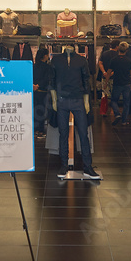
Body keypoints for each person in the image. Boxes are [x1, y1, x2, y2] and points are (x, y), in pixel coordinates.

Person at [50, 46, 99, 179]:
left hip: (78, 100)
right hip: (61, 100)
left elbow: (86, 80)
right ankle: (64, 165)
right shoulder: (56, 60)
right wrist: (54, 100)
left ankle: (88, 167)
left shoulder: (82, 60)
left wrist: (87, 101)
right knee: (63, 133)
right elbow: (52, 80)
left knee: (83, 133)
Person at [106, 42, 131, 127]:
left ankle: (117, 114)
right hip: (126, 84)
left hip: (117, 83)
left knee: (114, 101)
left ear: (118, 49)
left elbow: (108, 73)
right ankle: (124, 121)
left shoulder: (114, 60)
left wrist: (106, 83)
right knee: (126, 102)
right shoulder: (129, 61)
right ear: (126, 50)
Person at [33, 48, 53, 138]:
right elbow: (47, 79)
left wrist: (34, 86)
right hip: (43, 91)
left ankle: (35, 130)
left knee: (33, 110)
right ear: (45, 56)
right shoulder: (47, 67)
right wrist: (39, 85)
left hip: (34, 91)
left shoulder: (33, 66)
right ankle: (41, 131)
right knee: (41, 111)